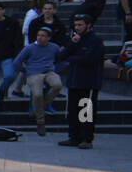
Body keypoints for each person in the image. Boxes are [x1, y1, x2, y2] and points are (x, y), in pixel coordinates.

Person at [57, 13, 105, 149]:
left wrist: (72, 58)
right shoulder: (74, 39)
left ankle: (86, 138)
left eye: (80, 25)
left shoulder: (95, 41)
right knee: (72, 111)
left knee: (85, 111)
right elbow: (61, 56)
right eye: (76, 25)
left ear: (88, 25)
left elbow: (89, 59)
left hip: (88, 82)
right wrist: (72, 44)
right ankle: (74, 137)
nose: (77, 27)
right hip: (74, 81)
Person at [11, 28, 64, 137]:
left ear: (48, 38)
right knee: (37, 94)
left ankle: (42, 106)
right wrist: (26, 71)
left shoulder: (54, 47)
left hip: (49, 71)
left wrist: (56, 69)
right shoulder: (30, 48)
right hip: (34, 73)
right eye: (38, 35)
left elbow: (61, 60)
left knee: (57, 85)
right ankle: (40, 122)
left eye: (43, 35)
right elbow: (17, 62)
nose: (40, 37)